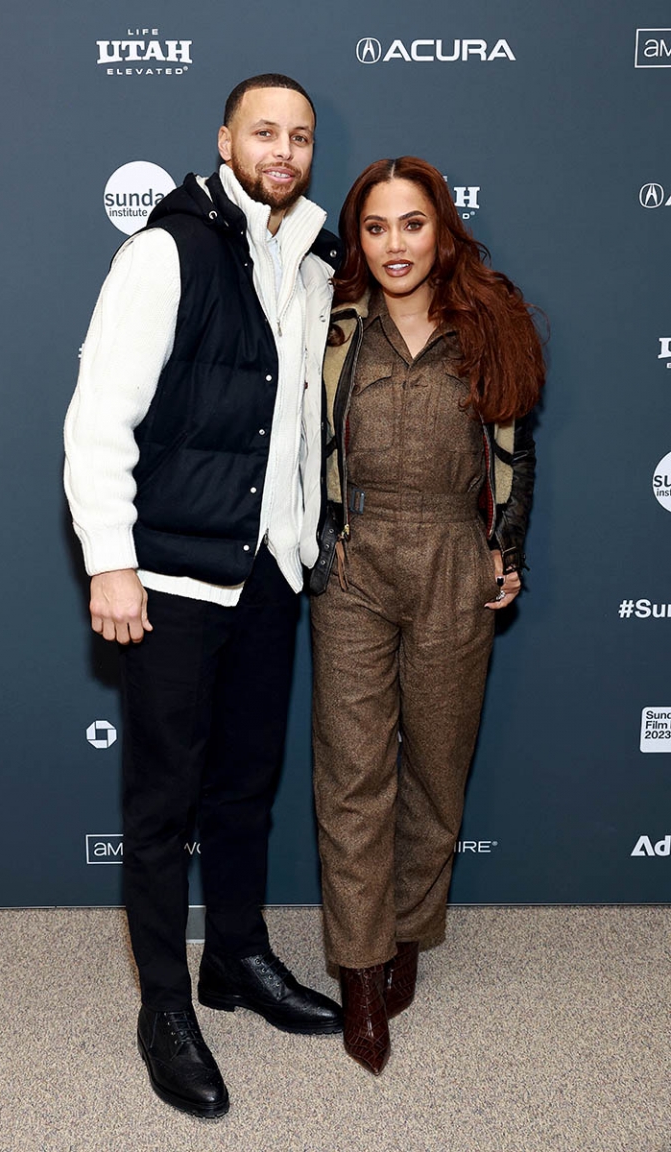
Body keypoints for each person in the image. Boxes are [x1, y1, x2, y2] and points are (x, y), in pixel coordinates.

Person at [64, 74, 343, 1120]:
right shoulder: (164, 251)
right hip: (172, 576)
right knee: (162, 803)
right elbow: (98, 421)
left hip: (270, 570)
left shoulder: (309, 263)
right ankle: (164, 1005)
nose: (283, 147)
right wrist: (110, 559)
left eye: (300, 136)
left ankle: (237, 958)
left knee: (243, 785)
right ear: (225, 138)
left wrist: (304, 544)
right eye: (265, 130)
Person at [309, 157, 545, 1075]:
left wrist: (507, 548)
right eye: (375, 228)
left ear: (442, 229)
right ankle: (362, 972)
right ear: (357, 237)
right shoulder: (331, 324)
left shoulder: (493, 323)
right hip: (357, 556)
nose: (394, 245)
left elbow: (520, 450)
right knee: (353, 771)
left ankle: (409, 931)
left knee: (437, 767)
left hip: (454, 552)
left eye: (411, 225)